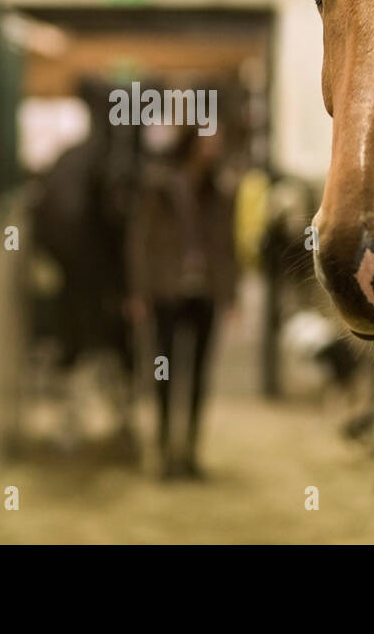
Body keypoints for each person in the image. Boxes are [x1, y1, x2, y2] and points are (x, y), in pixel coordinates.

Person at [126, 124, 237, 480]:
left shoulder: (219, 192)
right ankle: (162, 451)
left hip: (204, 295)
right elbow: (140, 241)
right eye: (209, 139)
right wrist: (139, 292)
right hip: (166, 293)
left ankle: (188, 451)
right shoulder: (160, 187)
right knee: (164, 373)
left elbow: (227, 246)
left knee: (198, 375)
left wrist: (230, 292)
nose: (215, 146)